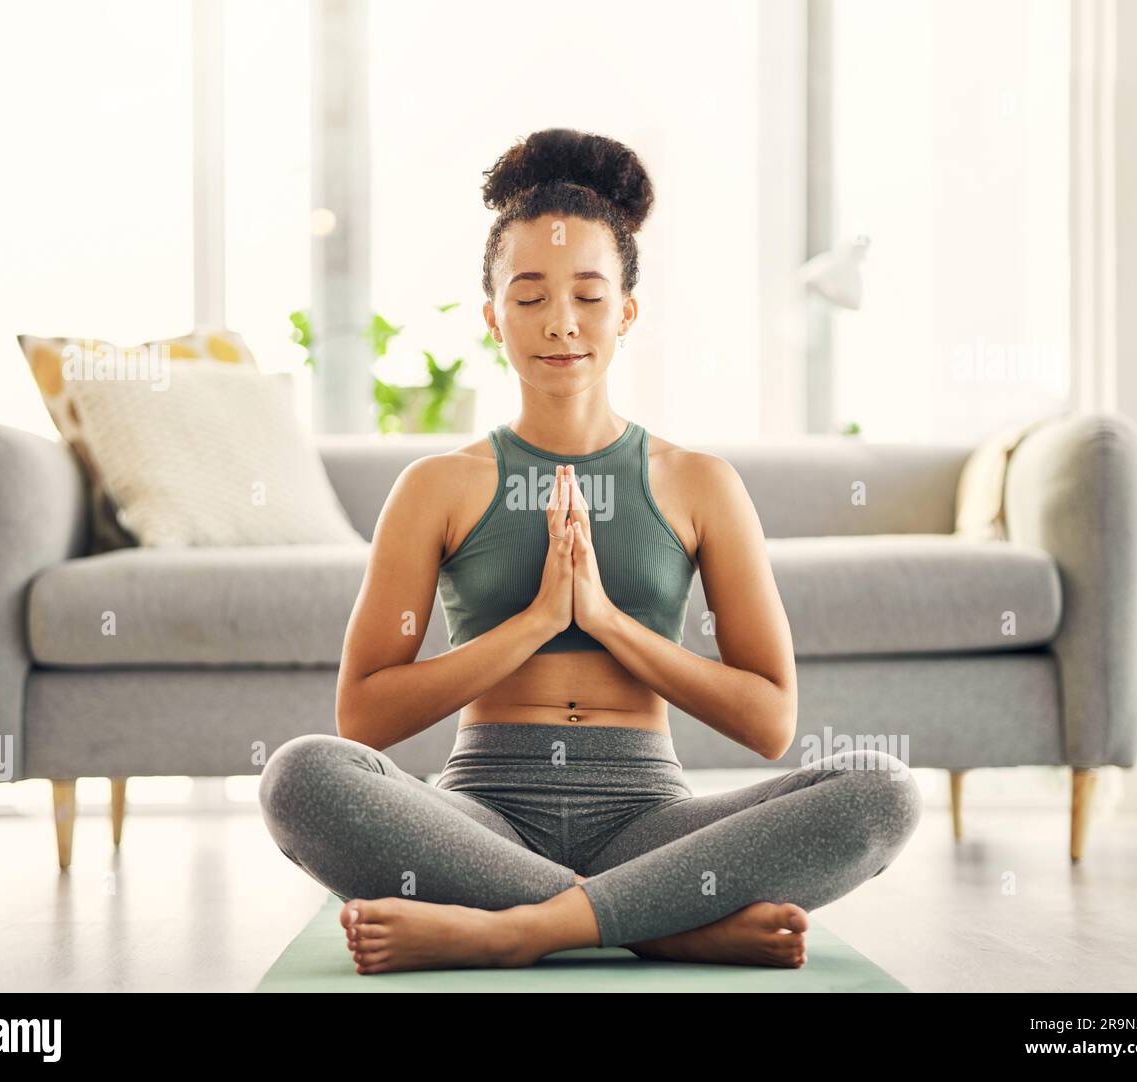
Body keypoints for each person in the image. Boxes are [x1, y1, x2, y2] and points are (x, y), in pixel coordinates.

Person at [258, 127, 922, 973]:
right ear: (493, 313)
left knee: (881, 791)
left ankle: (515, 929)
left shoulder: (699, 483)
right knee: (300, 777)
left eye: (589, 296)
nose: (560, 324)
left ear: (627, 311)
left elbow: (769, 721)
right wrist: (534, 623)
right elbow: (363, 718)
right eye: (529, 297)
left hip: (651, 820)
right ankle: (657, 924)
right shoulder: (436, 486)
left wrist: (608, 622)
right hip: (483, 819)